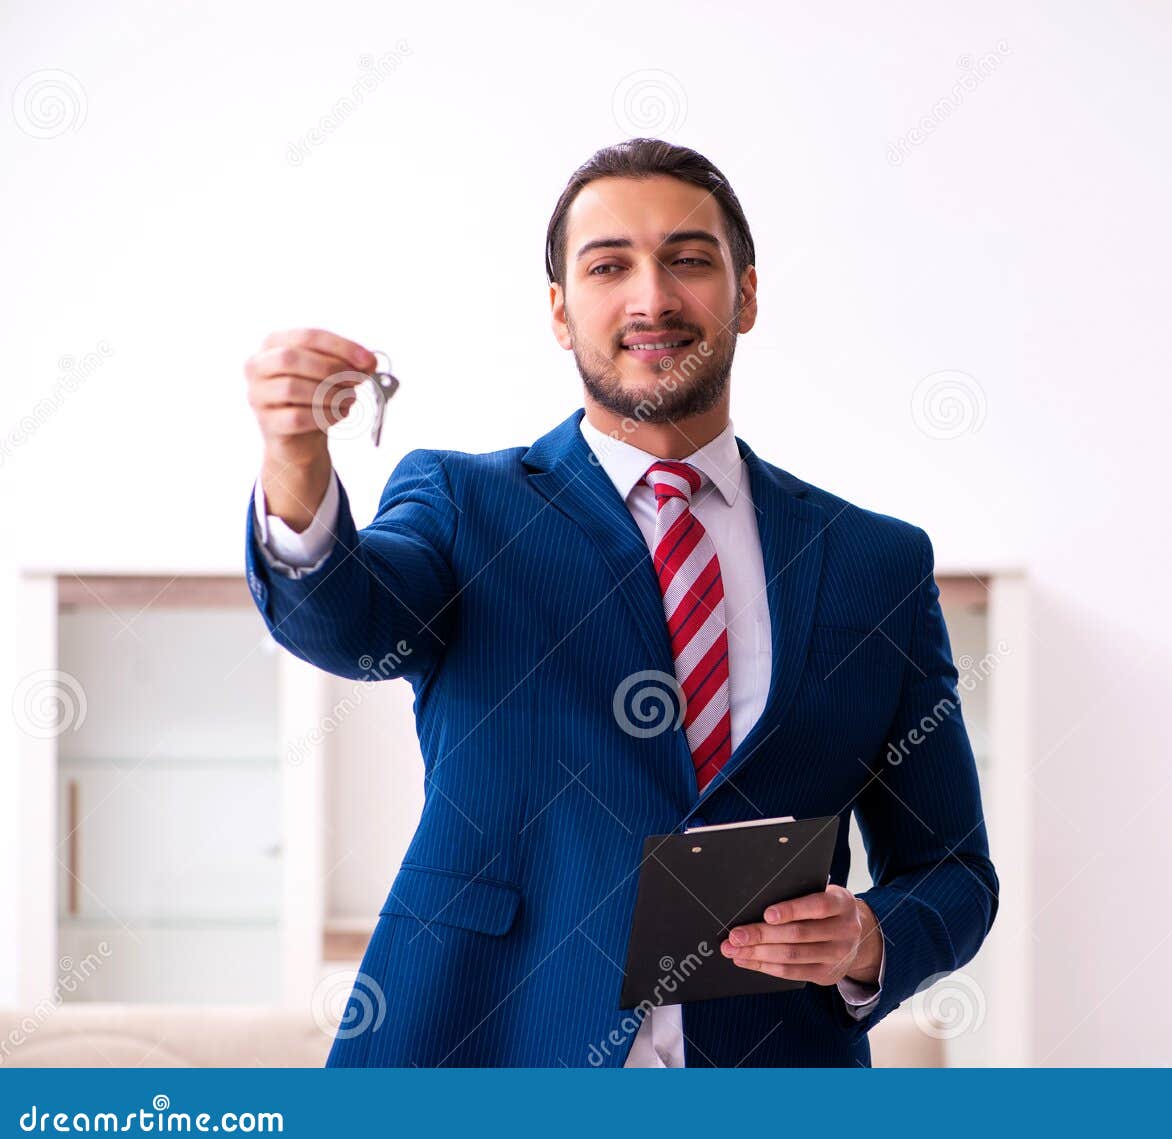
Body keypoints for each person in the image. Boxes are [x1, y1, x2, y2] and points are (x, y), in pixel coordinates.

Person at [242, 138, 997, 1067]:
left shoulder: (874, 562)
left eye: (688, 259)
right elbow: (350, 625)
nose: (653, 298)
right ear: (562, 313)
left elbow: (953, 870)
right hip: (483, 1051)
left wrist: (870, 937)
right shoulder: (463, 504)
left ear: (746, 295)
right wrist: (296, 463)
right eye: (609, 267)